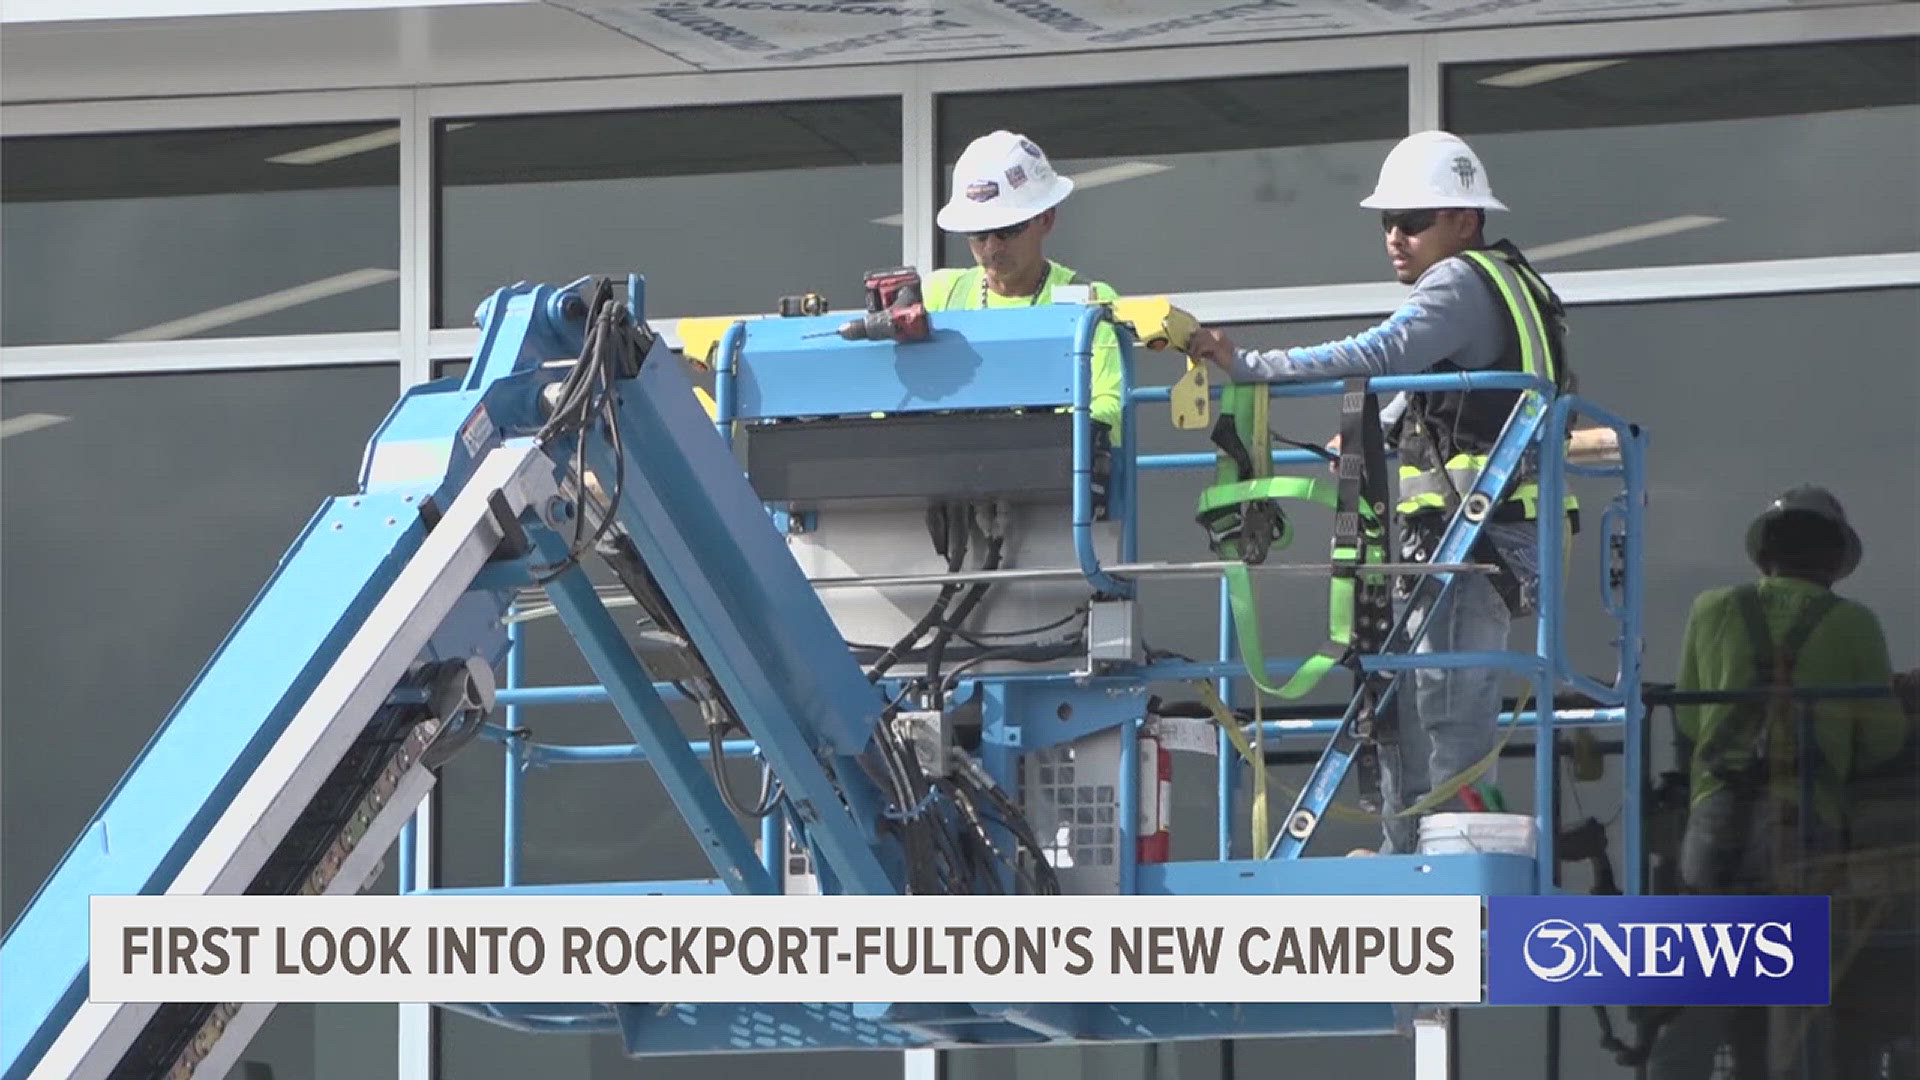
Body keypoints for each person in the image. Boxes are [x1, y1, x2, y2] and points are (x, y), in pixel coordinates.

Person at [1185, 129, 1573, 854]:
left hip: (1473, 541)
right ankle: (1413, 857)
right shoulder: (1510, 282)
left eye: (1414, 221)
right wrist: (1380, 430)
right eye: (1386, 222)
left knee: (1447, 712)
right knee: (1415, 704)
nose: (1396, 237)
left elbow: (1386, 351)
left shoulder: (1458, 282)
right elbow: (1440, 383)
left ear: (1464, 221)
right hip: (1478, 539)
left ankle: (1441, 873)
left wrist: (1251, 365)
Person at [1647, 485, 1909, 1080]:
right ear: (1834, 561)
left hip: (1713, 814)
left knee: (1703, 975)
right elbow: (1884, 743)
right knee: (1795, 984)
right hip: (1801, 825)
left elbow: (1689, 718)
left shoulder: (1711, 609)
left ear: (1764, 552)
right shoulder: (1854, 625)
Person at [927, 130, 1125, 439]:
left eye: (1007, 230)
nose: (992, 247)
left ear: (1045, 220)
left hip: (1050, 478)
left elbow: (1108, 409)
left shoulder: (1090, 301)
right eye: (978, 234)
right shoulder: (939, 295)